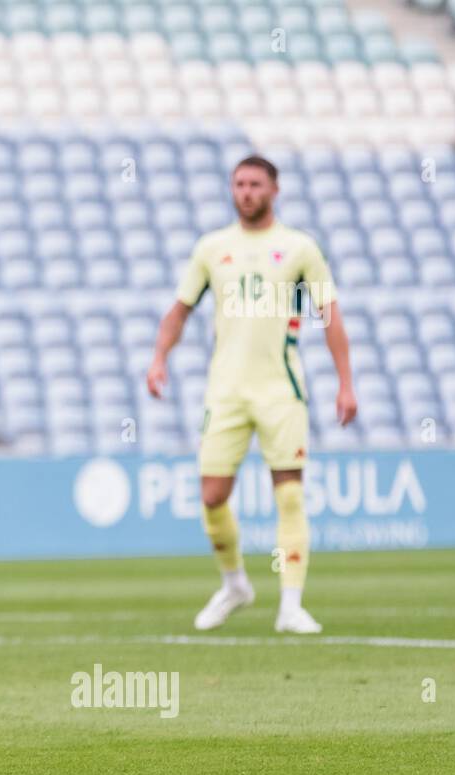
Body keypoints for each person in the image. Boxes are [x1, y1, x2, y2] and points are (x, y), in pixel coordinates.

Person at [147, 155, 358, 634]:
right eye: (239, 183)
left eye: (255, 184)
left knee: (288, 495)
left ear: (274, 189)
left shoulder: (300, 247)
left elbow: (331, 316)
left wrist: (346, 383)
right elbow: (178, 311)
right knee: (212, 496)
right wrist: (159, 357)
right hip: (224, 393)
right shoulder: (212, 248)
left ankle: (290, 604)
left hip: (281, 391)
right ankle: (235, 584)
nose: (245, 191)